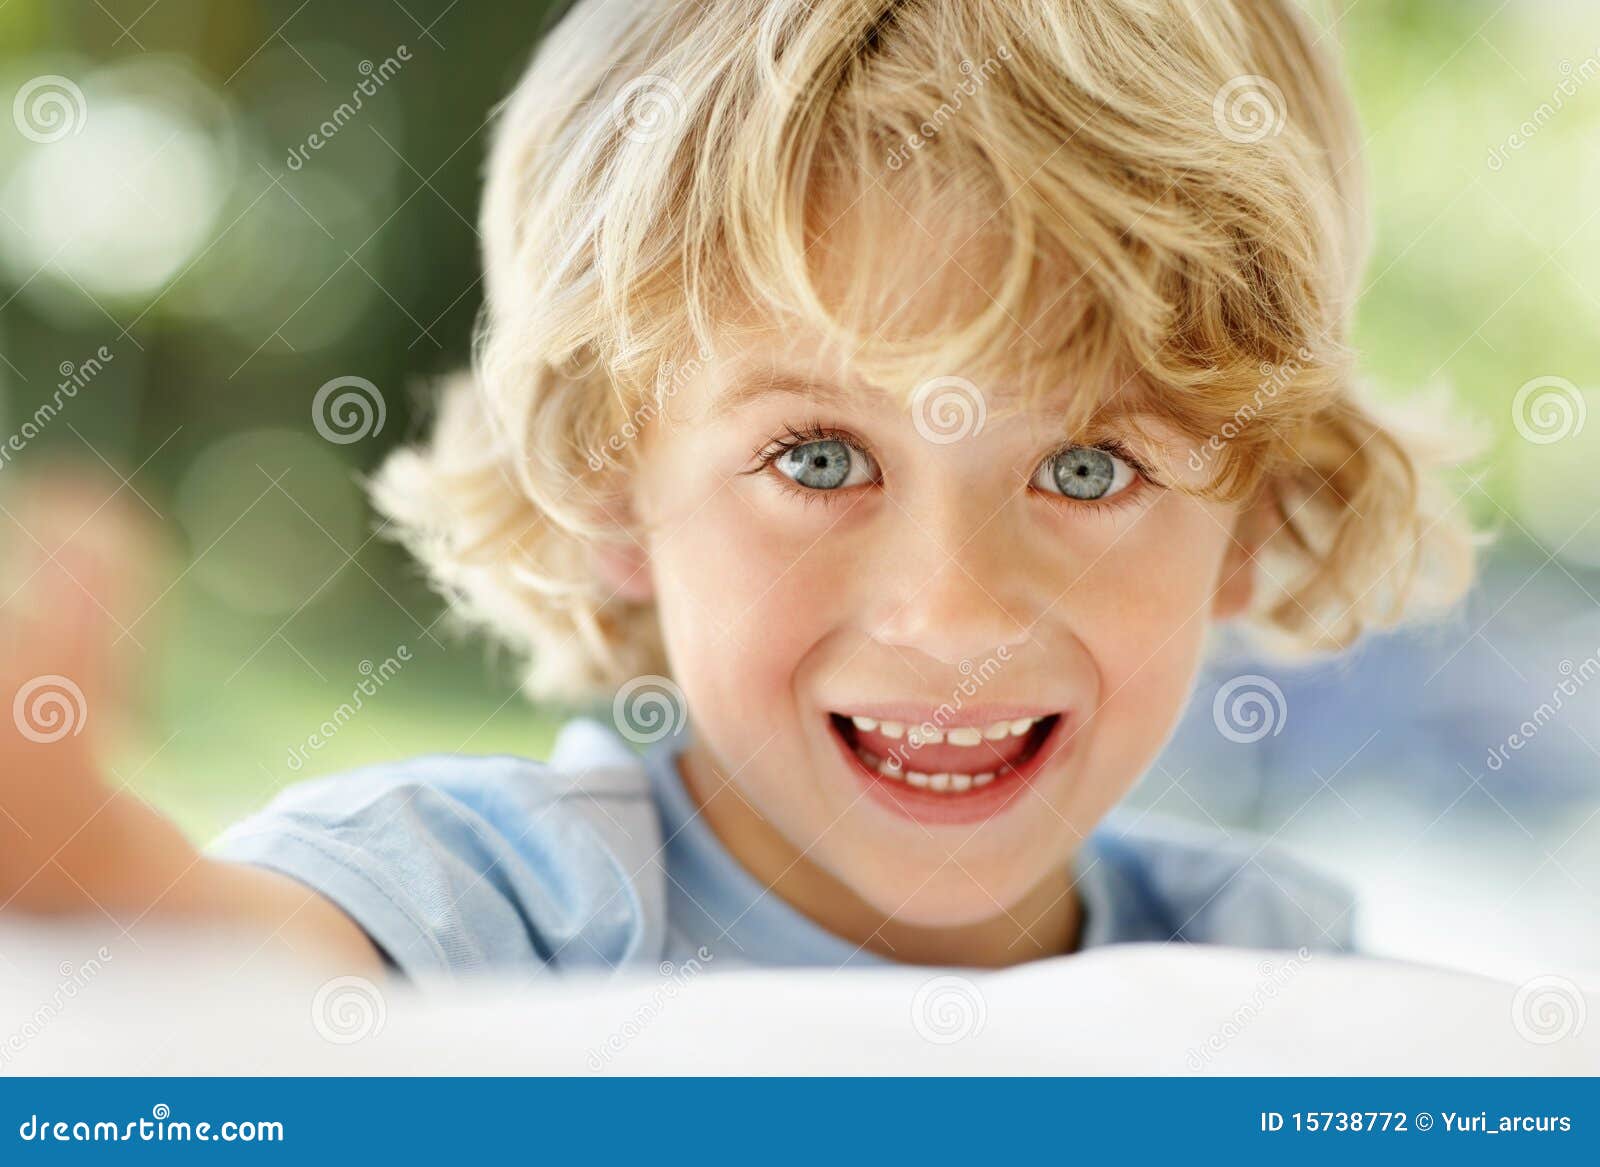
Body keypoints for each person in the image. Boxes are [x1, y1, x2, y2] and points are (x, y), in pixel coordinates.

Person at [0, 0, 1481, 980]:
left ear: (1260, 520)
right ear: (606, 486)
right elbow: (225, 975)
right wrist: (75, 860)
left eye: (1090, 468)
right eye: (820, 460)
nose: (953, 619)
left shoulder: (1262, 966)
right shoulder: (489, 908)